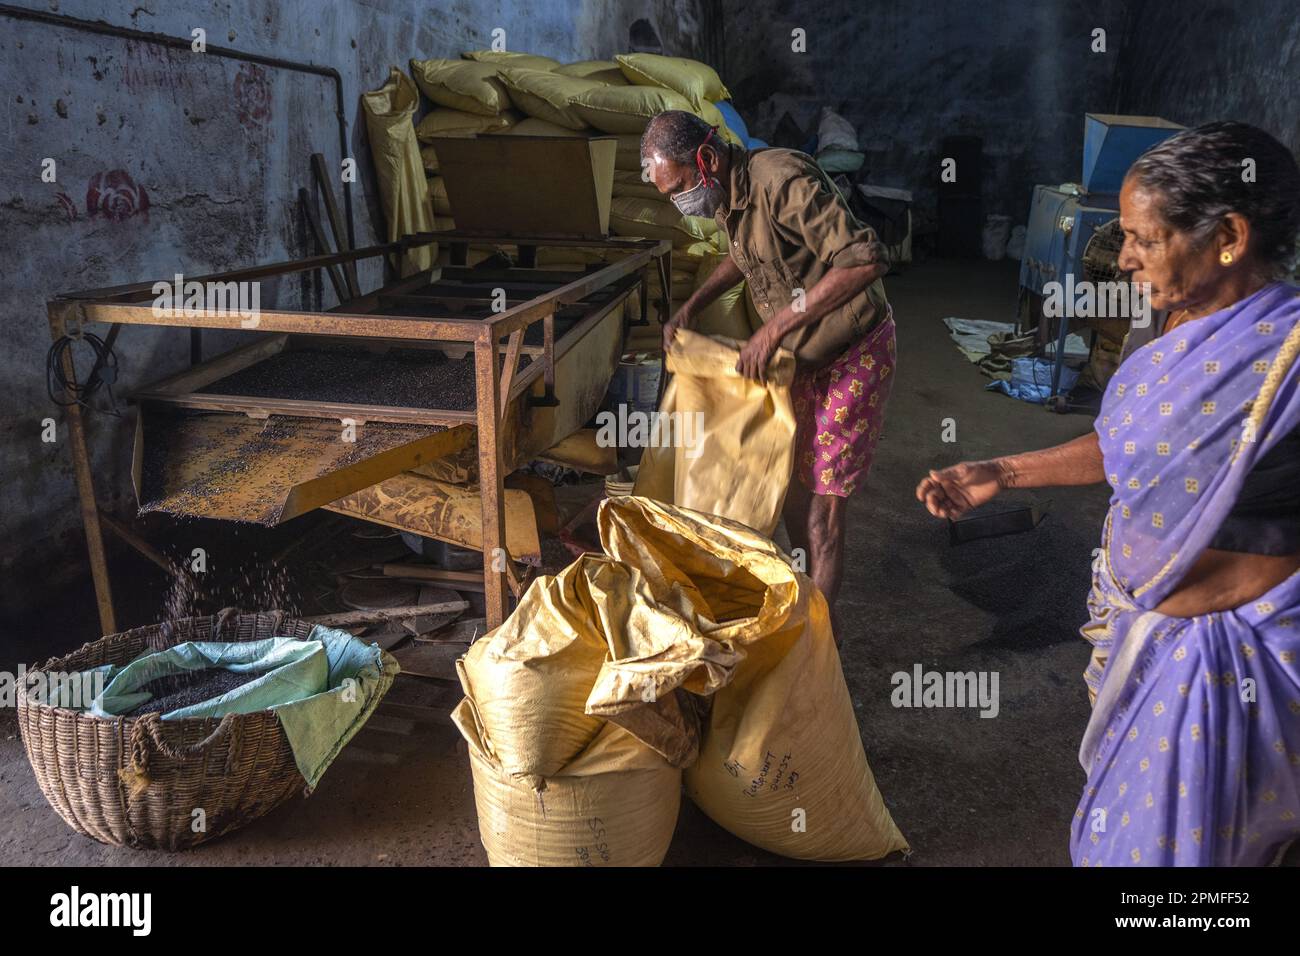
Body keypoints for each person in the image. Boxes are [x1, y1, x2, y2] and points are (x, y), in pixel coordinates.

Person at [916, 121, 1300, 866]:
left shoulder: (1284, 369)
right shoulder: (1171, 325)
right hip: (1138, 628)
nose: (1122, 257)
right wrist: (1004, 472)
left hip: (1222, 666)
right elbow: (1125, 445)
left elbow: (1272, 557)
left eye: (1142, 239)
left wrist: (1159, 625)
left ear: (1228, 235)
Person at [641, 110, 893, 632]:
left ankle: (815, 642)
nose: (679, 203)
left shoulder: (782, 180)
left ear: (706, 159)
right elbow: (746, 254)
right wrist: (693, 305)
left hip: (853, 353)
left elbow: (864, 261)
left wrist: (774, 328)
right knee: (793, 490)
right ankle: (808, 602)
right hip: (799, 359)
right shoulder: (727, 195)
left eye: (679, 188)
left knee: (823, 507)